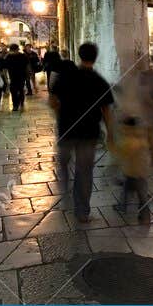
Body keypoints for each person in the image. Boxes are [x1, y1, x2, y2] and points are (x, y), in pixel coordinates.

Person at [48, 43, 115, 223]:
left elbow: (52, 100)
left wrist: (60, 116)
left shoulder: (66, 77)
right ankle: (82, 211)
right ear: (95, 57)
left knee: (63, 162)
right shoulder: (100, 81)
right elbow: (106, 112)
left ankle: (64, 191)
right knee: (84, 171)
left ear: (79, 55)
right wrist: (111, 134)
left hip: (66, 130)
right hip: (88, 133)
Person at [111, 112, 153, 223]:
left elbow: (120, 156)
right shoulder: (141, 138)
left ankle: (141, 214)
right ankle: (140, 214)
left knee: (139, 195)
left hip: (132, 173)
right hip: (142, 173)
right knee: (136, 193)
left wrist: (113, 166)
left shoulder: (129, 142)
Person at [1, 44, 31, 112]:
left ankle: (16, 104)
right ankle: (18, 103)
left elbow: (4, 69)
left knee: (16, 90)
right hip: (20, 76)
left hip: (15, 76)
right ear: (17, 49)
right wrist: (28, 74)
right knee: (19, 89)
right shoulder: (23, 56)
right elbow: (27, 66)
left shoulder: (8, 56)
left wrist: (6, 78)